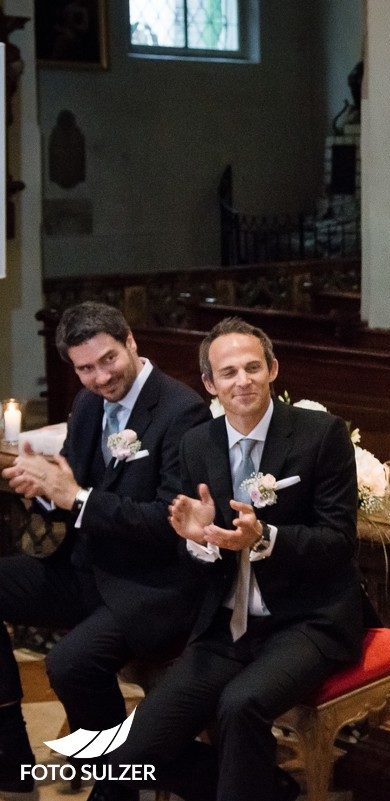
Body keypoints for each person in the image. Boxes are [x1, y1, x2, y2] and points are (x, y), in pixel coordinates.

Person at [95, 317, 365, 801]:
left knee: (240, 705)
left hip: (307, 620)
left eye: (252, 368)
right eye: (228, 373)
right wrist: (197, 539)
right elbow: (195, 549)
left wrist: (264, 539)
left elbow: (339, 543)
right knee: (132, 748)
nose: (242, 381)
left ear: (273, 369)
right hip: (226, 628)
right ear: (209, 384)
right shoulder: (197, 442)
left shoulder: (320, 435)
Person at [0, 302, 207, 793]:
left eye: (108, 360)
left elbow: (167, 521)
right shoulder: (89, 403)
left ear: (131, 341)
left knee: (70, 664)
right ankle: (10, 748)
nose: (99, 377)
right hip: (88, 569)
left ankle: (140, 779)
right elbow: (73, 489)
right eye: (84, 368)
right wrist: (46, 493)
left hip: (152, 585)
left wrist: (76, 498)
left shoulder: (182, 410)